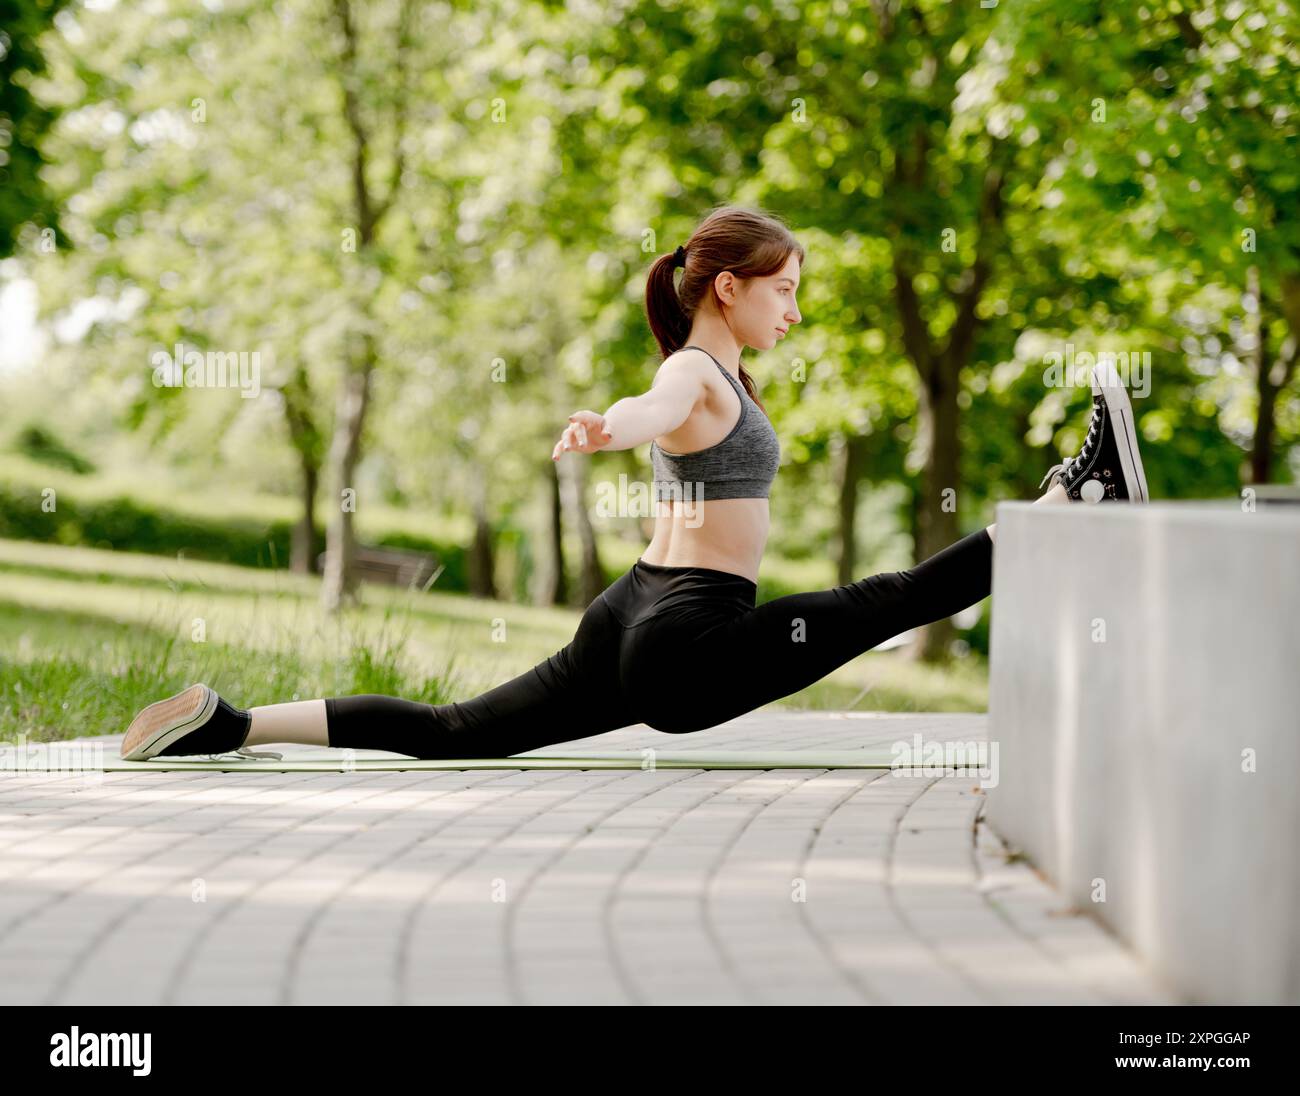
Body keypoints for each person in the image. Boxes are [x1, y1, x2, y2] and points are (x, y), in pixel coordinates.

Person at [120, 205, 1150, 762]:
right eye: (783, 290)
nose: (793, 309)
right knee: (879, 602)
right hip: (685, 636)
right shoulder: (694, 370)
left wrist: (624, 426)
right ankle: (1076, 495)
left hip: (633, 615)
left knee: (454, 733)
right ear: (730, 288)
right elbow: (653, 410)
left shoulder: (721, 368)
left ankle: (231, 722)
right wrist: (609, 428)